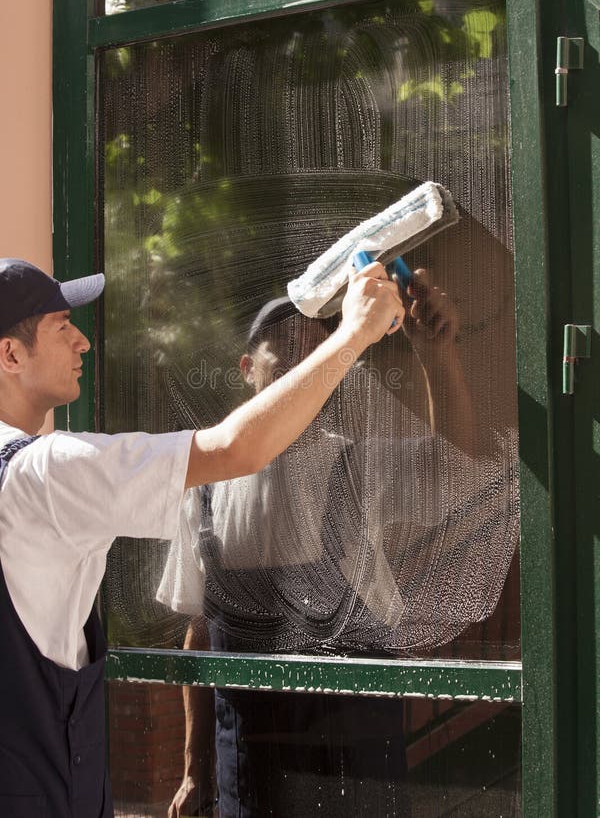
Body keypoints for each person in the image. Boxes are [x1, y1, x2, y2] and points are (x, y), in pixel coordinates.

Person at [0, 255, 403, 818]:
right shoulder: (48, 470)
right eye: (62, 326)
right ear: (10, 354)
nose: (83, 343)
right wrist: (354, 333)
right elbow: (236, 450)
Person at [162, 268, 476, 817]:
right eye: (285, 347)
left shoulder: (358, 465)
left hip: (354, 770)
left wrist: (436, 355)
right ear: (246, 369)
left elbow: (455, 465)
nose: (304, 361)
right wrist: (194, 771)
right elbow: (198, 632)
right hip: (249, 777)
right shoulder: (205, 492)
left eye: (318, 348)